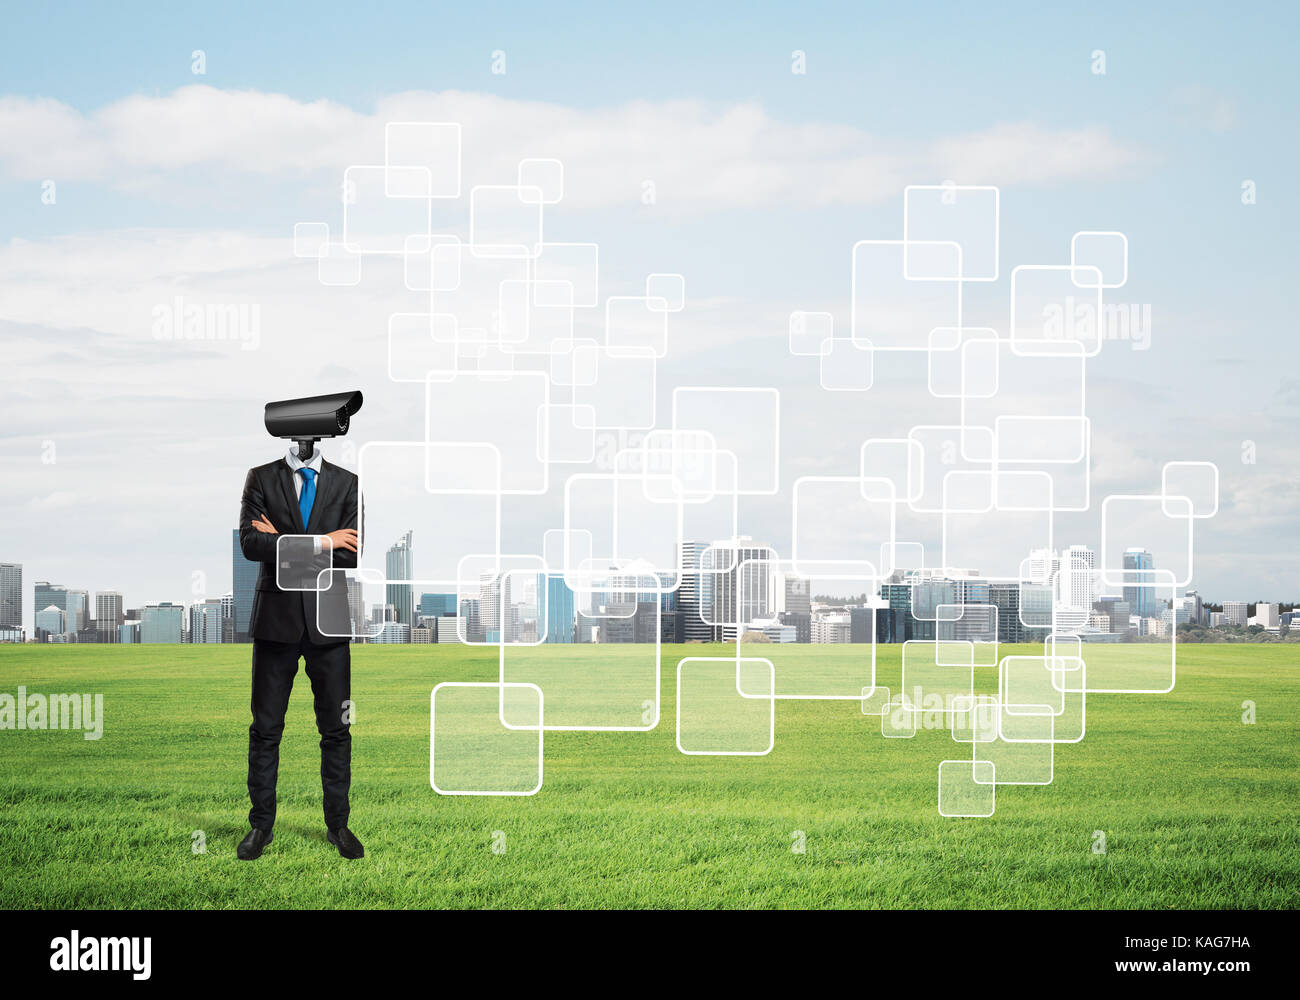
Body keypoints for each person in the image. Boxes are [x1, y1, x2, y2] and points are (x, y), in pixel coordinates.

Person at [235, 443, 364, 860]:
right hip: (276, 622)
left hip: (329, 622)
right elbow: (251, 544)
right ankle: (261, 827)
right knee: (266, 729)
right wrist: (323, 541)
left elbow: (351, 554)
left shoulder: (347, 483)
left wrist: (286, 544)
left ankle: (338, 826)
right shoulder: (261, 477)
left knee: (336, 730)